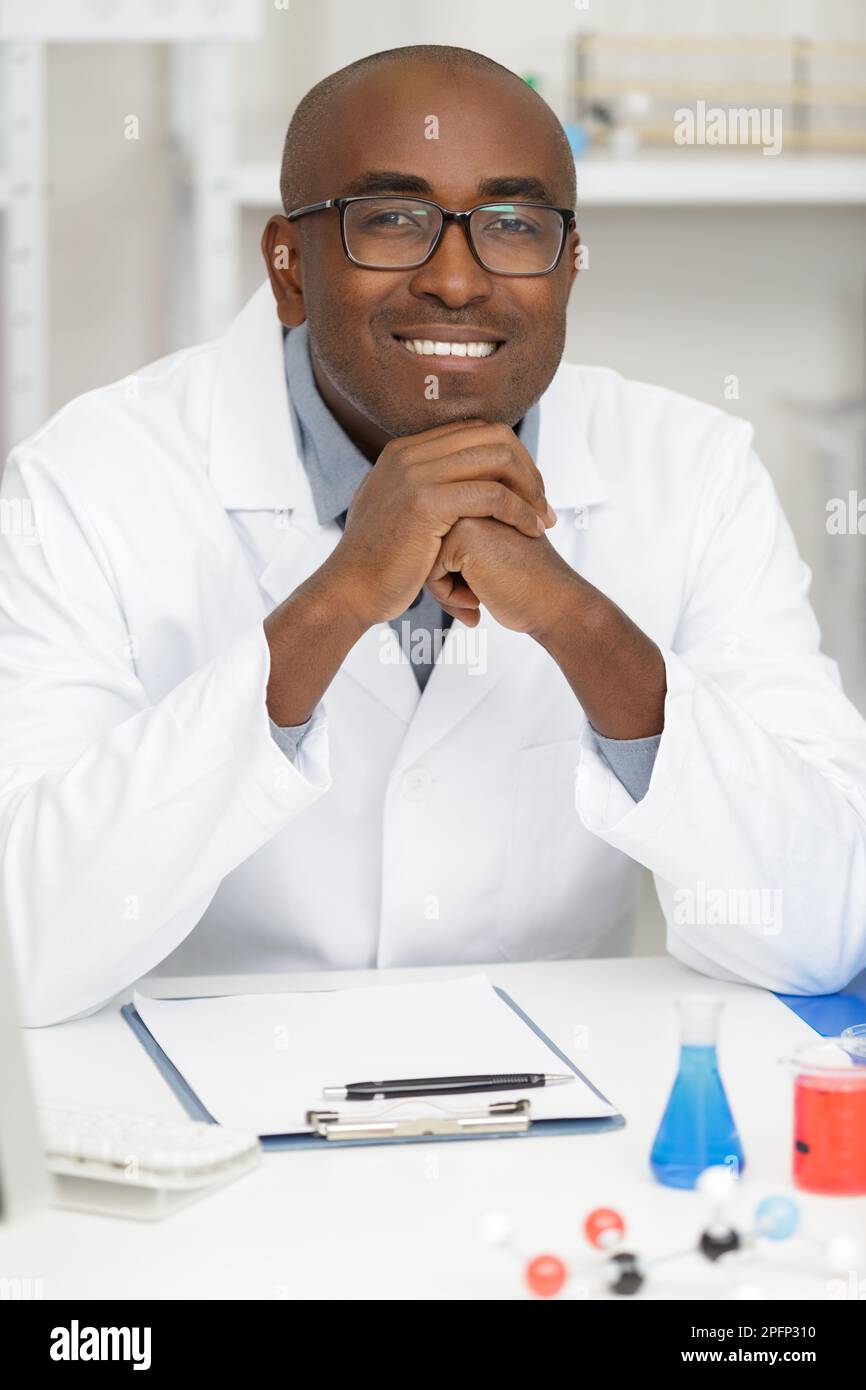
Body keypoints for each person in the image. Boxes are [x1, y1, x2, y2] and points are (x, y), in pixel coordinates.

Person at [2, 45, 865, 1027]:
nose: (455, 280)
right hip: (208, 1138)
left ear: (567, 267)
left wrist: (576, 620)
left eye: (510, 225)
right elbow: (23, 955)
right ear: (288, 265)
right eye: (391, 220)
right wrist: (338, 598)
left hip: (559, 1128)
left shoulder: (691, 470)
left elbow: (823, 924)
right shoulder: (90, 478)